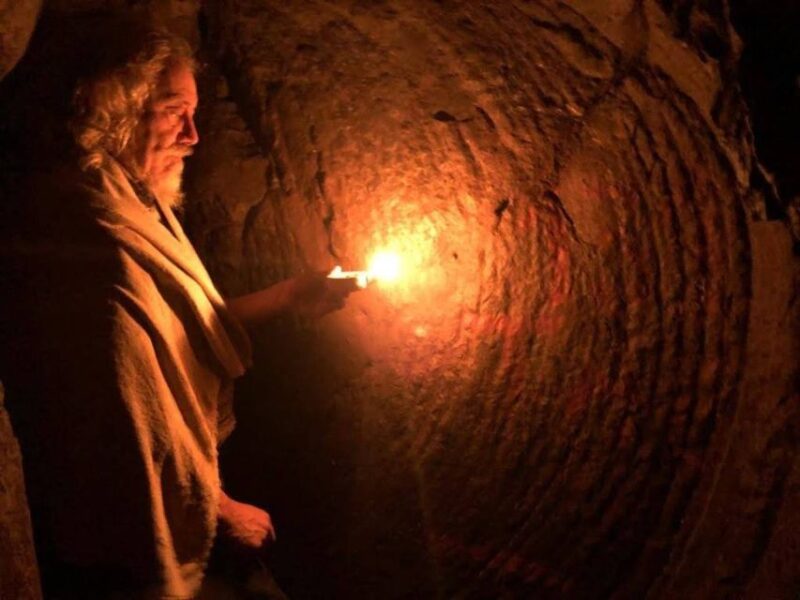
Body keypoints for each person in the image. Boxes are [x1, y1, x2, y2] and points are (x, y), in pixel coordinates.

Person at [0, 24, 357, 599]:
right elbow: (125, 415)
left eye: (193, 113)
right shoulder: (88, 238)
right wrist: (217, 511)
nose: (192, 135)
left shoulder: (129, 204)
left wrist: (290, 295)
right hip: (144, 533)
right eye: (173, 112)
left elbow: (180, 332)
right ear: (115, 109)